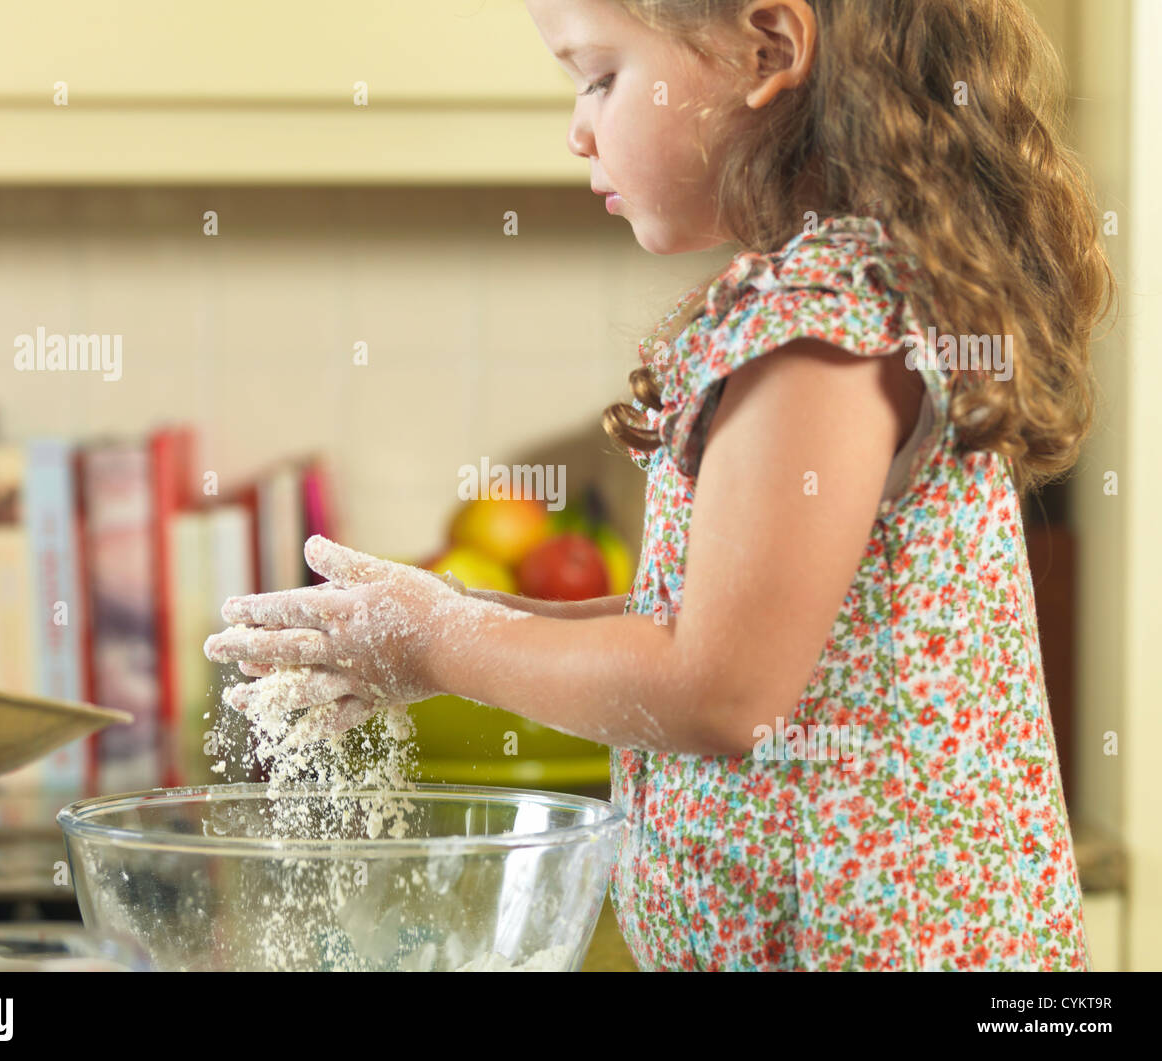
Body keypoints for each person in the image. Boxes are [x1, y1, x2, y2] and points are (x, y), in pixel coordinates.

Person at [205, 0, 1115, 971]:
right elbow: (692, 624)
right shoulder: (834, 301)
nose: (578, 130)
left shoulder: (822, 332)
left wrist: (437, 642)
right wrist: (459, 615)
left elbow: (718, 688)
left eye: (601, 77)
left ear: (767, 48)